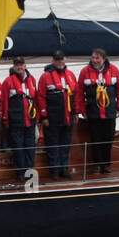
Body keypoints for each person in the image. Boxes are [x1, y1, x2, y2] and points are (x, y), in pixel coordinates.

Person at [75, 47, 119, 175]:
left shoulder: (114, 70)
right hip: (93, 112)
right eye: (93, 58)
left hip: (109, 112)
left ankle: (106, 165)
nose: (95, 60)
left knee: (108, 139)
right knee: (95, 139)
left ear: (104, 59)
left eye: (97, 58)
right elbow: (79, 92)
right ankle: (96, 165)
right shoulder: (85, 71)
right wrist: (82, 110)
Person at [35, 50, 77, 179]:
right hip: (52, 117)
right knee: (53, 144)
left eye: (61, 60)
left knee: (65, 143)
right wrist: (44, 116)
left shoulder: (70, 75)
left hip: (67, 116)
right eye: (57, 60)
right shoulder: (45, 77)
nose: (60, 62)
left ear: (64, 60)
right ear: (53, 61)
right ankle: (54, 170)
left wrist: (76, 112)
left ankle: (63, 168)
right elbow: (41, 97)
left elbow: (76, 95)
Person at [0, 56, 37, 181]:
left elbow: (35, 99)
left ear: (25, 66)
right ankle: (20, 173)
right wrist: (4, 118)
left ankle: (30, 171)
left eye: (21, 65)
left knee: (30, 146)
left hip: (30, 120)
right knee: (18, 147)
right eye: (17, 65)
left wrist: (39, 116)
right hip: (16, 120)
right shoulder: (8, 81)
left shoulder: (32, 80)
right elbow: (4, 101)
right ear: (14, 67)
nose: (19, 67)